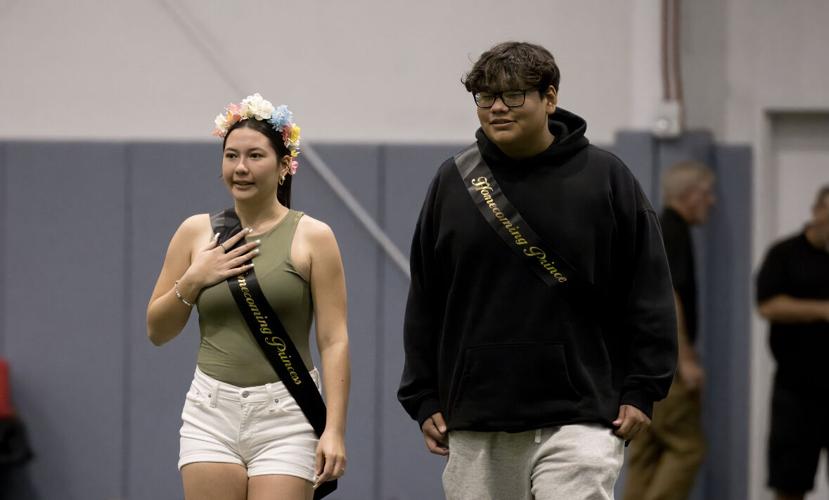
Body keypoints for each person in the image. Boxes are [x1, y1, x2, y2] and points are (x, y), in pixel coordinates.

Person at [397, 41, 677, 500]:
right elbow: (427, 298)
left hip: (583, 416)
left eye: (513, 95)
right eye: (485, 97)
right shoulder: (453, 182)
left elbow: (648, 290)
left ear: (550, 98)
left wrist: (643, 387)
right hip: (478, 417)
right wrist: (423, 395)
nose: (497, 108)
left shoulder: (606, 178)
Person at [146, 93, 350, 500]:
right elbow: (157, 331)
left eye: (255, 156)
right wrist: (194, 278)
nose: (241, 167)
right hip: (210, 412)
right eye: (231, 156)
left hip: (286, 414)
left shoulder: (314, 236)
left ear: (284, 166)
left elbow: (334, 339)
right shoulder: (195, 233)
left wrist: (334, 430)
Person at [623, 161, 716, 500]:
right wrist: (685, 359)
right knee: (687, 448)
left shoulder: (658, 228)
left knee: (646, 452)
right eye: (707, 194)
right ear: (691, 195)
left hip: (642, 361)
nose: (711, 202)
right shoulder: (673, 231)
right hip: (666, 365)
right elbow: (669, 295)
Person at [756, 185, 829, 500]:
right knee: (789, 482)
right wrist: (822, 310)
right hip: (796, 389)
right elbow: (768, 305)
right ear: (818, 211)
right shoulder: (784, 254)